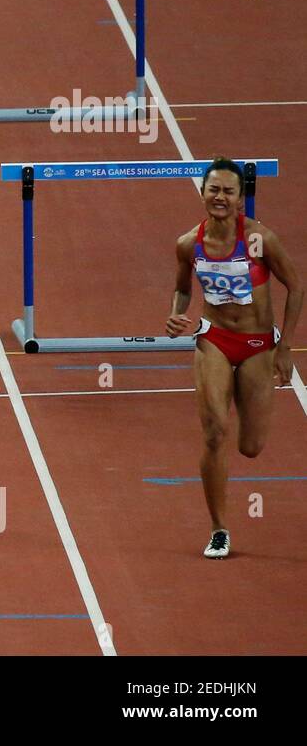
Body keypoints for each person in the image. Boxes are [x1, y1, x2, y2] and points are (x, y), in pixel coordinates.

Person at [166, 157, 301, 559]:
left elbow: (296, 288)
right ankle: (219, 529)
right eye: (214, 189)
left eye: (228, 191)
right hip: (215, 339)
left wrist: (286, 347)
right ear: (203, 193)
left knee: (251, 446)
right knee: (213, 432)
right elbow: (183, 290)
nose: (220, 197)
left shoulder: (260, 240)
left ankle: (247, 400)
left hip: (259, 344)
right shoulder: (189, 243)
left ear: (241, 199)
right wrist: (176, 314)